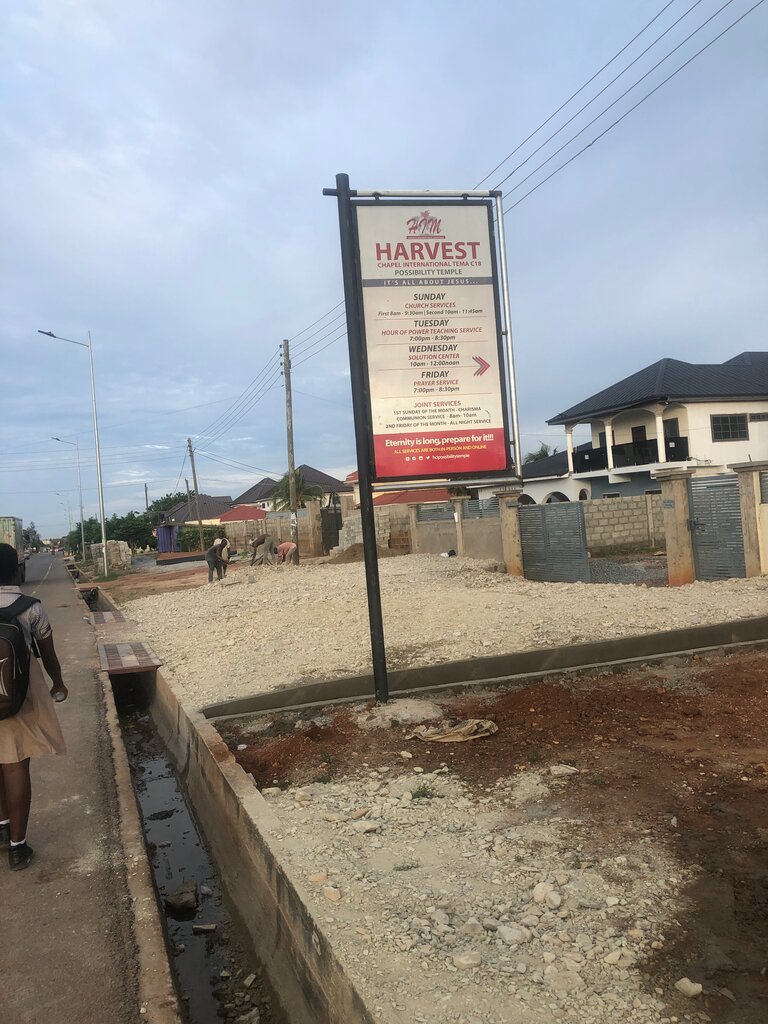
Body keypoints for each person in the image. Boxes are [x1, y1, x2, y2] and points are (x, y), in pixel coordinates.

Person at [0, 542, 68, 870]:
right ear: (15, 570)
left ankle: (1, 829)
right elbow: (48, 654)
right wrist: (58, 682)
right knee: (15, 767)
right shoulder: (31, 607)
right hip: (17, 698)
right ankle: (17, 847)